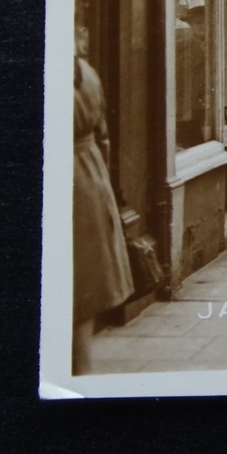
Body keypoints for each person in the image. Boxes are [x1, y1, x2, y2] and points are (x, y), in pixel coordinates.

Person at [73, 39, 134, 376]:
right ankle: (81, 366)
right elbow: (104, 138)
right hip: (89, 177)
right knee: (84, 280)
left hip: (65, 177)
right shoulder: (87, 73)